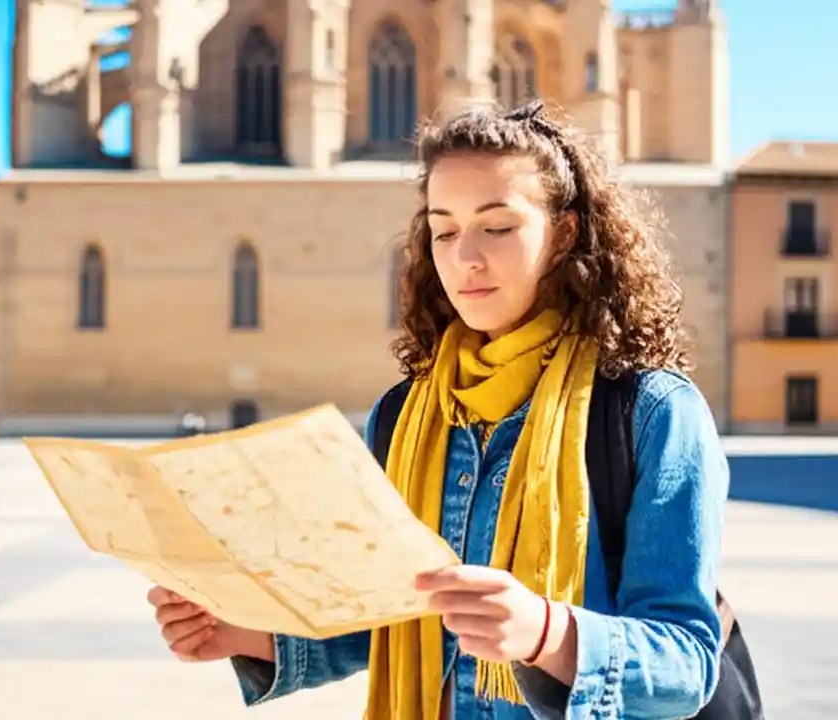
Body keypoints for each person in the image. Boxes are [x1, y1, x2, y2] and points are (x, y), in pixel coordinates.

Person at [146, 100, 730, 719]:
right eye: (444, 231)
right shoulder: (404, 415)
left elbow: (687, 664)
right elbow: (392, 618)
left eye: (497, 227)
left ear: (564, 233)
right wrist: (244, 633)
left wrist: (546, 633)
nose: (465, 258)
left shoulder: (650, 413)